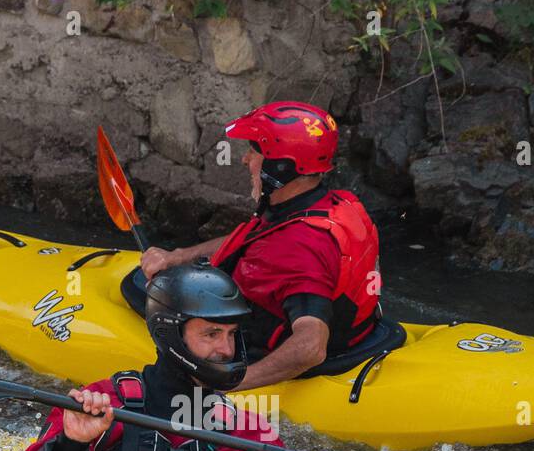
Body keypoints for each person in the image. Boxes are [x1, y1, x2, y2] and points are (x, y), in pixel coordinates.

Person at [9, 259, 380, 451]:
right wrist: (71, 446)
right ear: (169, 334)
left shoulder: (242, 430)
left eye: (232, 334)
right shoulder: (101, 404)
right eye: (211, 334)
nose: (226, 348)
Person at [139, 101, 382, 391]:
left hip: (296, 351)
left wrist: (230, 383)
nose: (245, 160)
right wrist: (177, 257)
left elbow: (312, 346)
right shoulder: (326, 206)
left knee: (142, 292)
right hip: (365, 334)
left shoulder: (300, 248)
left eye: (255, 150)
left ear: (280, 166)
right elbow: (251, 239)